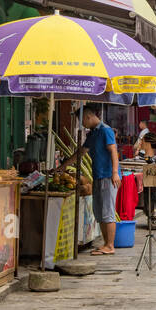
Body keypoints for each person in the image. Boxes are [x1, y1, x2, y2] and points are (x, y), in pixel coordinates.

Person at [54, 104, 120, 255]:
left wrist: (115, 172)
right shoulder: (93, 134)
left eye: (81, 120)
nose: (81, 124)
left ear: (88, 116)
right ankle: (106, 244)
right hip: (97, 176)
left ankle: (110, 246)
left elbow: (113, 151)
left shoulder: (105, 130)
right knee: (100, 211)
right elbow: (80, 153)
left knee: (108, 211)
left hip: (108, 176)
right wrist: (63, 166)